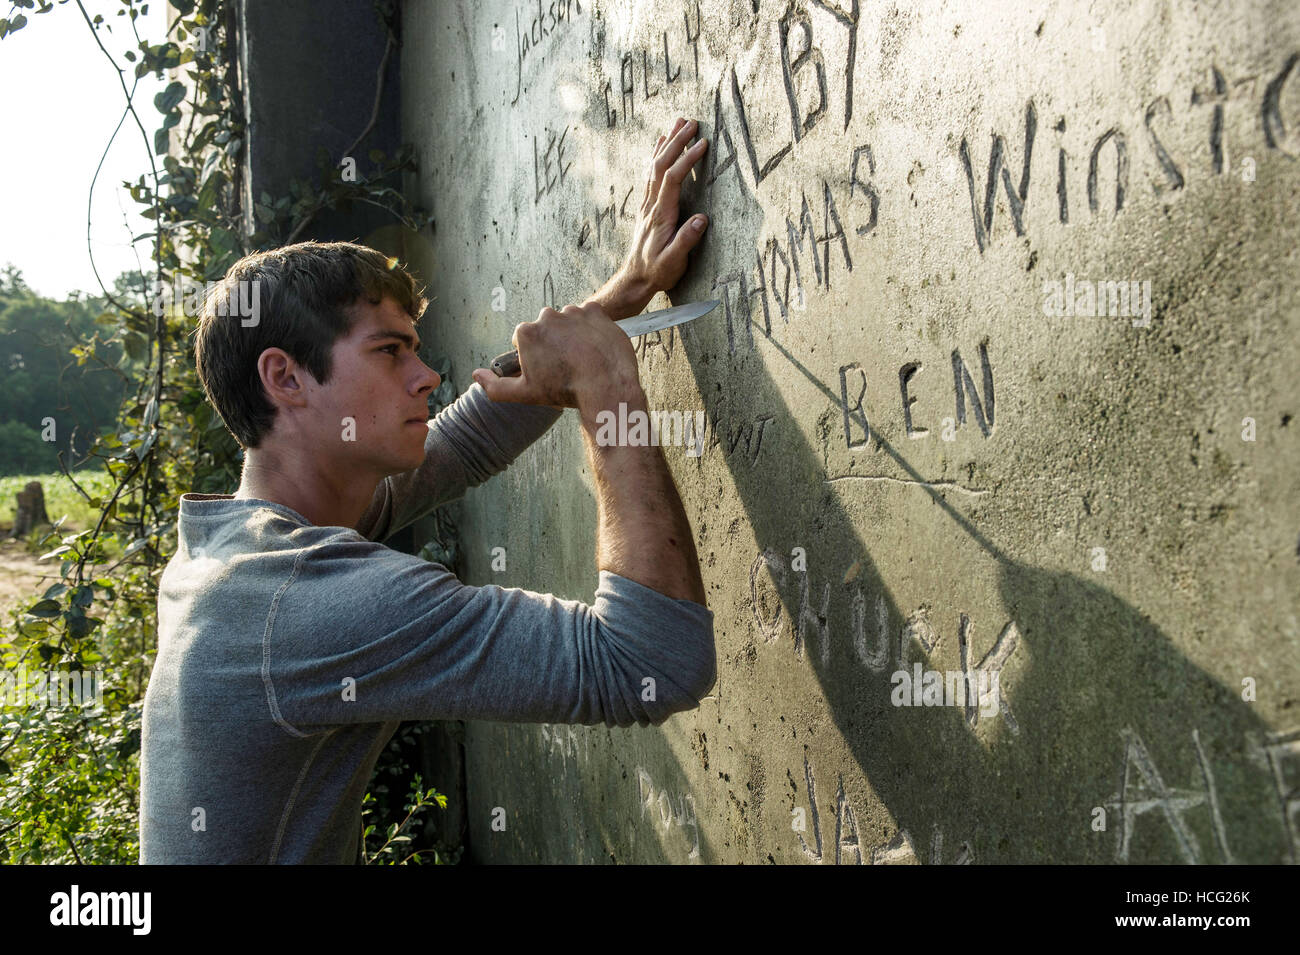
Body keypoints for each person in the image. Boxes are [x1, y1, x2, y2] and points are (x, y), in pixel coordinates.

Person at [139, 119, 714, 864]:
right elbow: (649, 664)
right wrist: (606, 387)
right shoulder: (309, 603)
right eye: (389, 352)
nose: (427, 377)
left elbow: (462, 444)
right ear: (285, 378)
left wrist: (620, 297)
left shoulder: (238, 549)